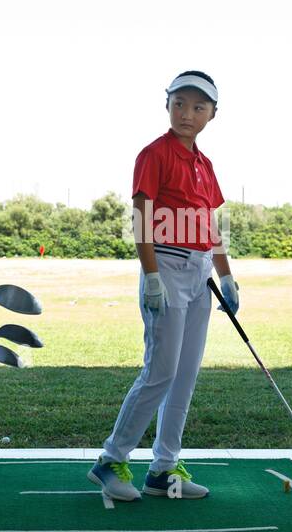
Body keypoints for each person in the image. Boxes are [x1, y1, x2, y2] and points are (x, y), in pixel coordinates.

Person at [88, 71, 239, 501]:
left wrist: (226, 275)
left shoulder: (205, 165)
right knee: (160, 372)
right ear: (167, 105)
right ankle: (111, 460)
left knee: (185, 376)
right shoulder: (154, 154)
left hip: (200, 273)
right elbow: (141, 217)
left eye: (198, 107)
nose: (187, 113)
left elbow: (211, 224)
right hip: (166, 269)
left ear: (212, 114)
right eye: (179, 104)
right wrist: (152, 276)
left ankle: (164, 468)